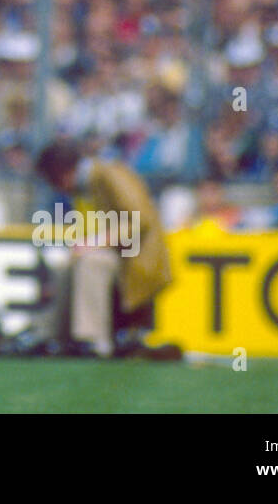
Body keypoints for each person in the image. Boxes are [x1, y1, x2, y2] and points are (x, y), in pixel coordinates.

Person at [33, 139, 173, 358]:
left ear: (62, 172)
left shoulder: (110, 174)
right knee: (65, 266)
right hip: (118, 253)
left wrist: (94, 243)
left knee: (92, 262)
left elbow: (139, 220)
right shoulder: (86, 186)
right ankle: (52, 338)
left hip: (137, 259)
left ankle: (94, 342)